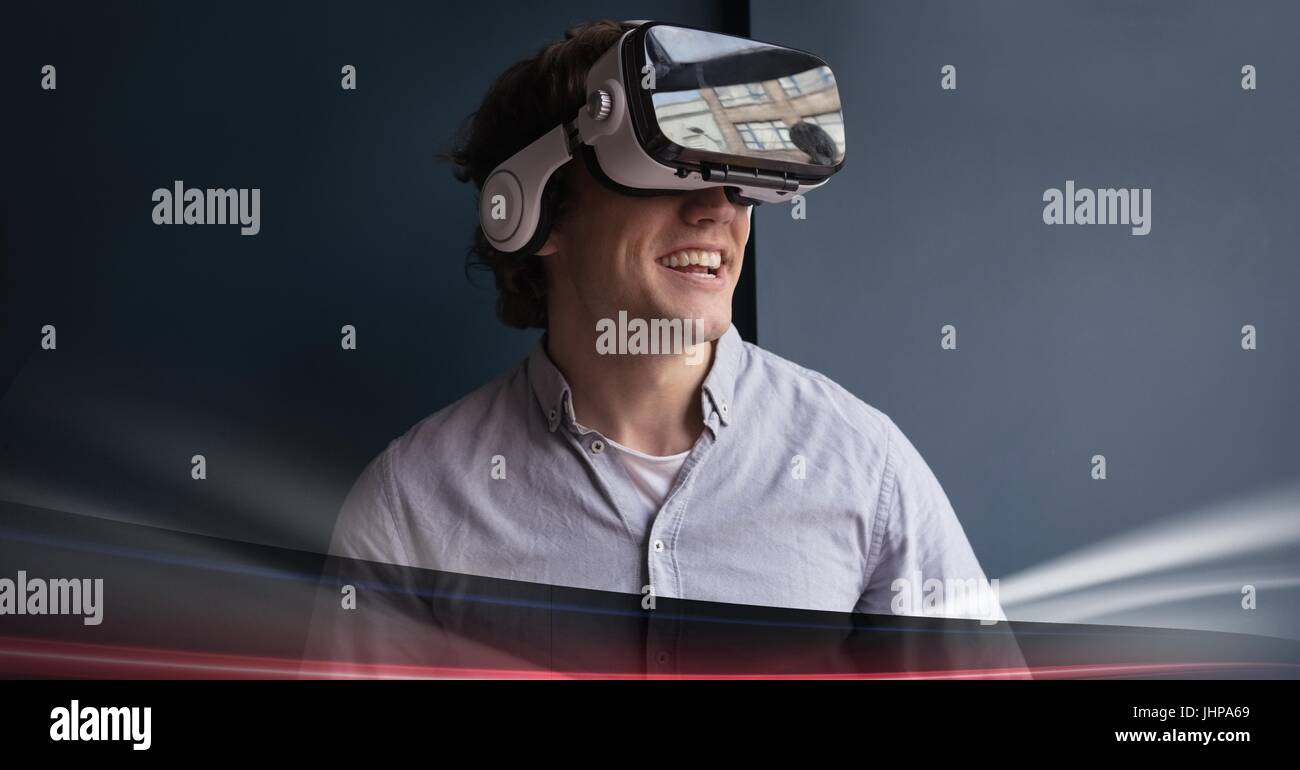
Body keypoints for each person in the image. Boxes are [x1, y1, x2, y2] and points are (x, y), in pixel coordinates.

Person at [327, 19, 1000, 626]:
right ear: (537, 208)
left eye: (739, 178)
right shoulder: (411, 504)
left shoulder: (864, 468)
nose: (718, 210)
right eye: (669, 168)